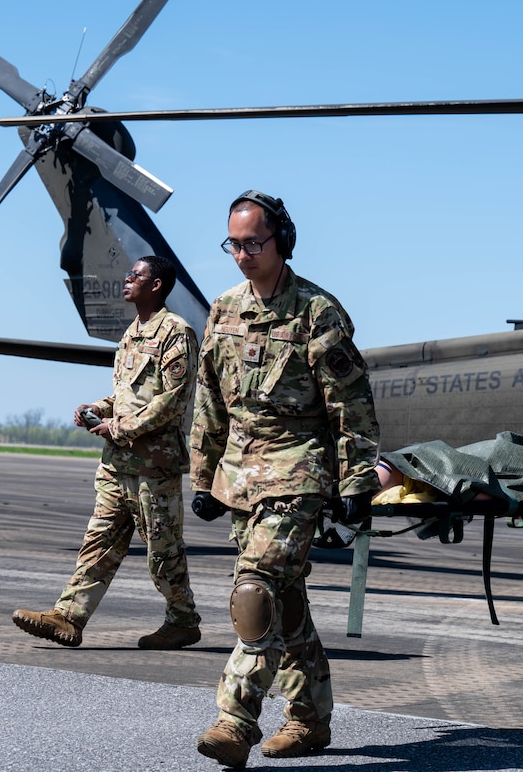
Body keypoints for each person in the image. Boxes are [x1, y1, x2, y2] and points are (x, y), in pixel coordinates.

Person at [191, 190, 380, 769]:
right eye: (234, 244)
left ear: (283, 242)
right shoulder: (223, 310)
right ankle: (309, 719)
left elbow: (351, 407)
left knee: (254, 590)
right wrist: (203, 475)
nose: (242, 254)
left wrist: (356, 483)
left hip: (298, 471)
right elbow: (209, 400)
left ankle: (234, 720)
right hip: (241, 479)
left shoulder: (318, 313)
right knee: (286, 601)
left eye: (253, 243)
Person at [12, 255, 201, 650]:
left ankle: (182, 619)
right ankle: (68, 617)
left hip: (154, 466)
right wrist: (99, 408)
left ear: (157, 286)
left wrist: (117, 426)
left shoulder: (176, 332)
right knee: (98, 543)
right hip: (118, 464)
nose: (127, 279)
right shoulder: (131, 332)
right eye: (129, 273)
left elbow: (173, 401)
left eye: (137, 275)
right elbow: (126, 396)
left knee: (162, 552)